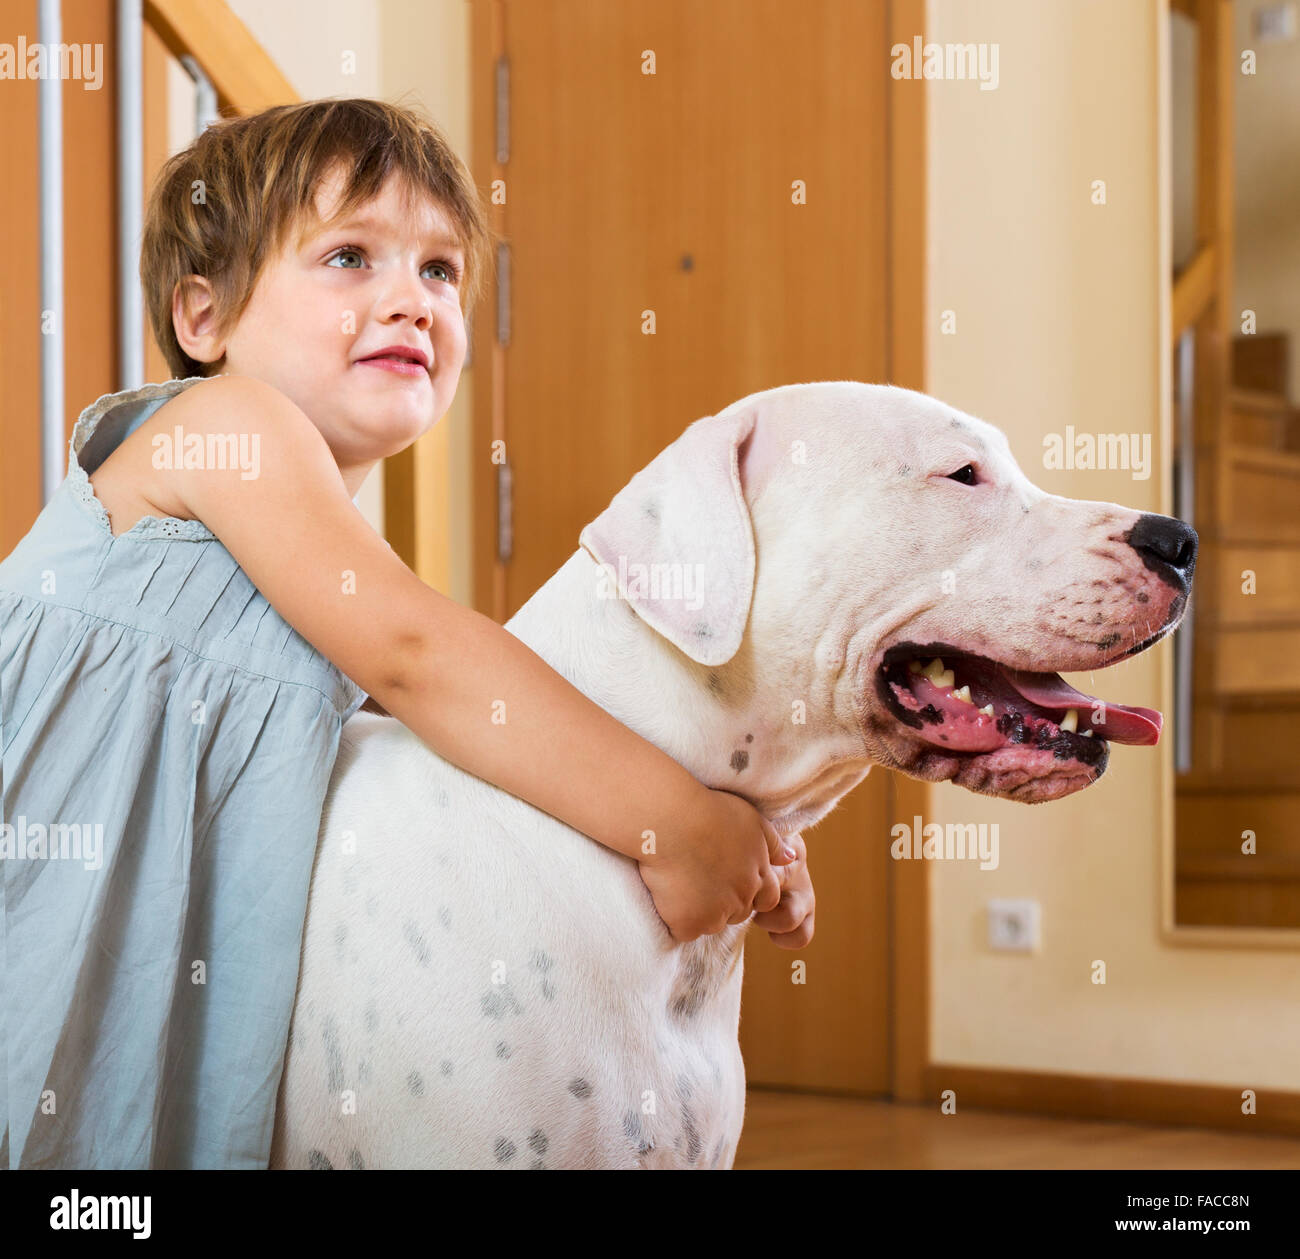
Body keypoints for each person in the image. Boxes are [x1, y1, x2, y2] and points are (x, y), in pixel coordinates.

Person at [0, 98, 814, 1170]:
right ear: (204, 320)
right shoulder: (226, 427)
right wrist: (671, 818)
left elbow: (446, 740)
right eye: (349, 256)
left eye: (440, 270)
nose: (412, 300)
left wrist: (746, 837)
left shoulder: (311, 527)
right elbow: (421, 659)